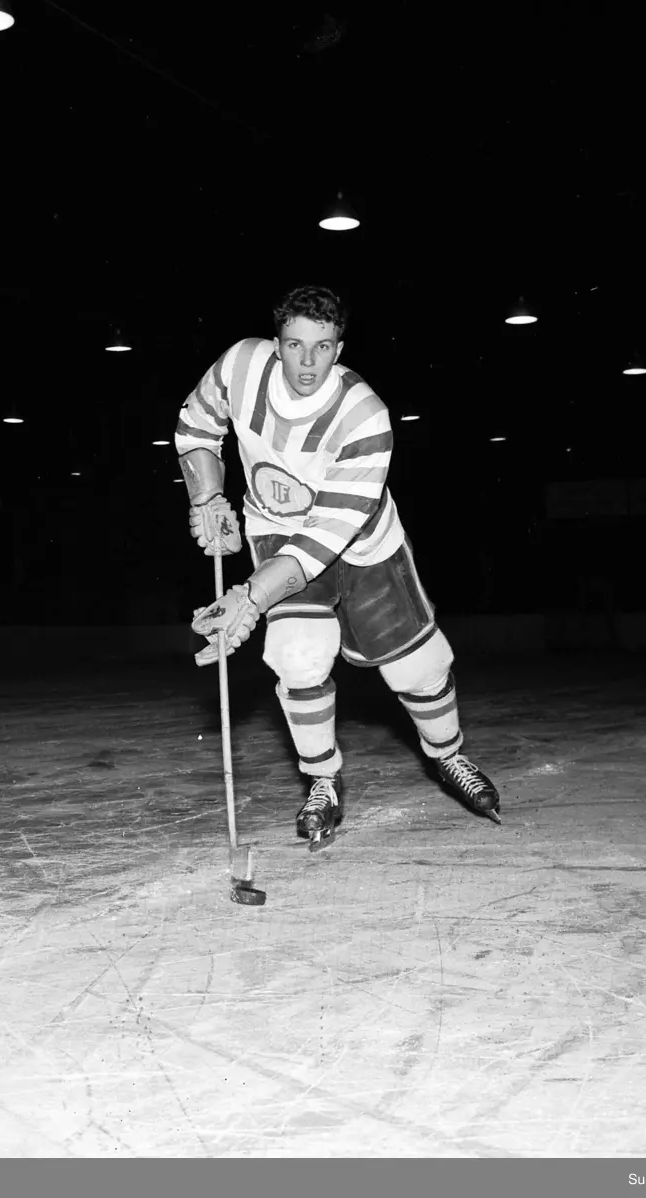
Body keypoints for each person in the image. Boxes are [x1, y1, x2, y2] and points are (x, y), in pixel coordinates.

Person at [177, 284, 500, 846]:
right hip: (277, 529)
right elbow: (197, 426)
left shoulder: (364, 417)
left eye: (322, 347)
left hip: (363, 543)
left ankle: (448, 755)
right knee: (296, 657)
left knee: (418, 669)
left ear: (340, 346)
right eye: (295, 345)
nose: (307, 362)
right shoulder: (239, 366)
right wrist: (206, 498)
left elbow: (326, 535)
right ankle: (322, 781)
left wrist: (251, 597)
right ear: (275, 344)